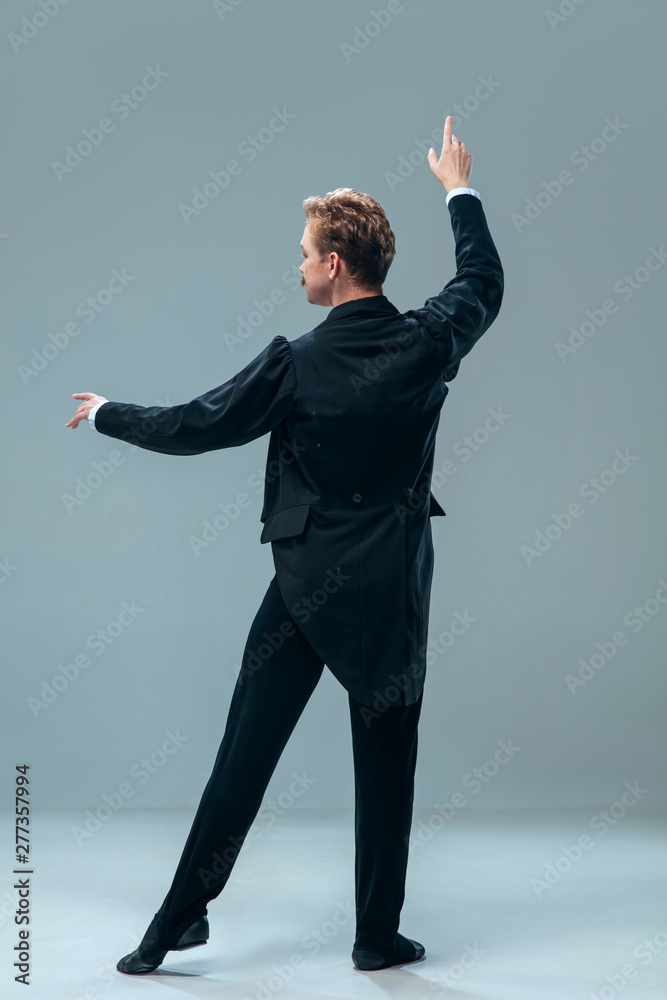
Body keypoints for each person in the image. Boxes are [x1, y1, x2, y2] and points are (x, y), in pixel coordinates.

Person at [66, 115, 504, 975]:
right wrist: (458, 187)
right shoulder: (428, 340)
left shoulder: (295, 363)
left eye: (304, 253)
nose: (298, 264)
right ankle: (376, 936)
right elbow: (483, 278)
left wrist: (109, 413)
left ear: (334, 265)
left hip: (305, 589)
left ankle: (172, 926)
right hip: (392, 592)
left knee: (243, 758)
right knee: (387, 765)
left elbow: (199, 425)